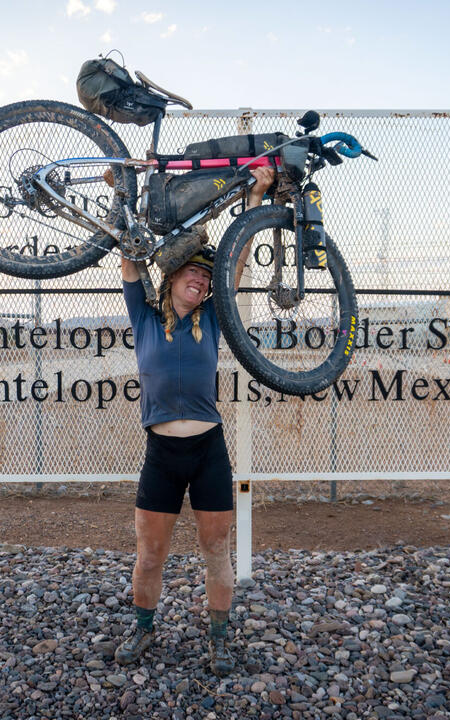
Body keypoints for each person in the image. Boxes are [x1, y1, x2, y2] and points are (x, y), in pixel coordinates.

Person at [115, 166, 276, 676]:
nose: (202, 280)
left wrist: (255, 196)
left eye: (207, 277)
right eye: (194, 271)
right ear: (172, 276)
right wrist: (123, 196)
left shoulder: (212, 320)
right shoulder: (144, 316)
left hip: (208, 451)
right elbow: (129, 255)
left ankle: (219, 640)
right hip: (161, 454)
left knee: (215, 550)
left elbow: (238, 261)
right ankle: (143, 630)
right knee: (149, 555)